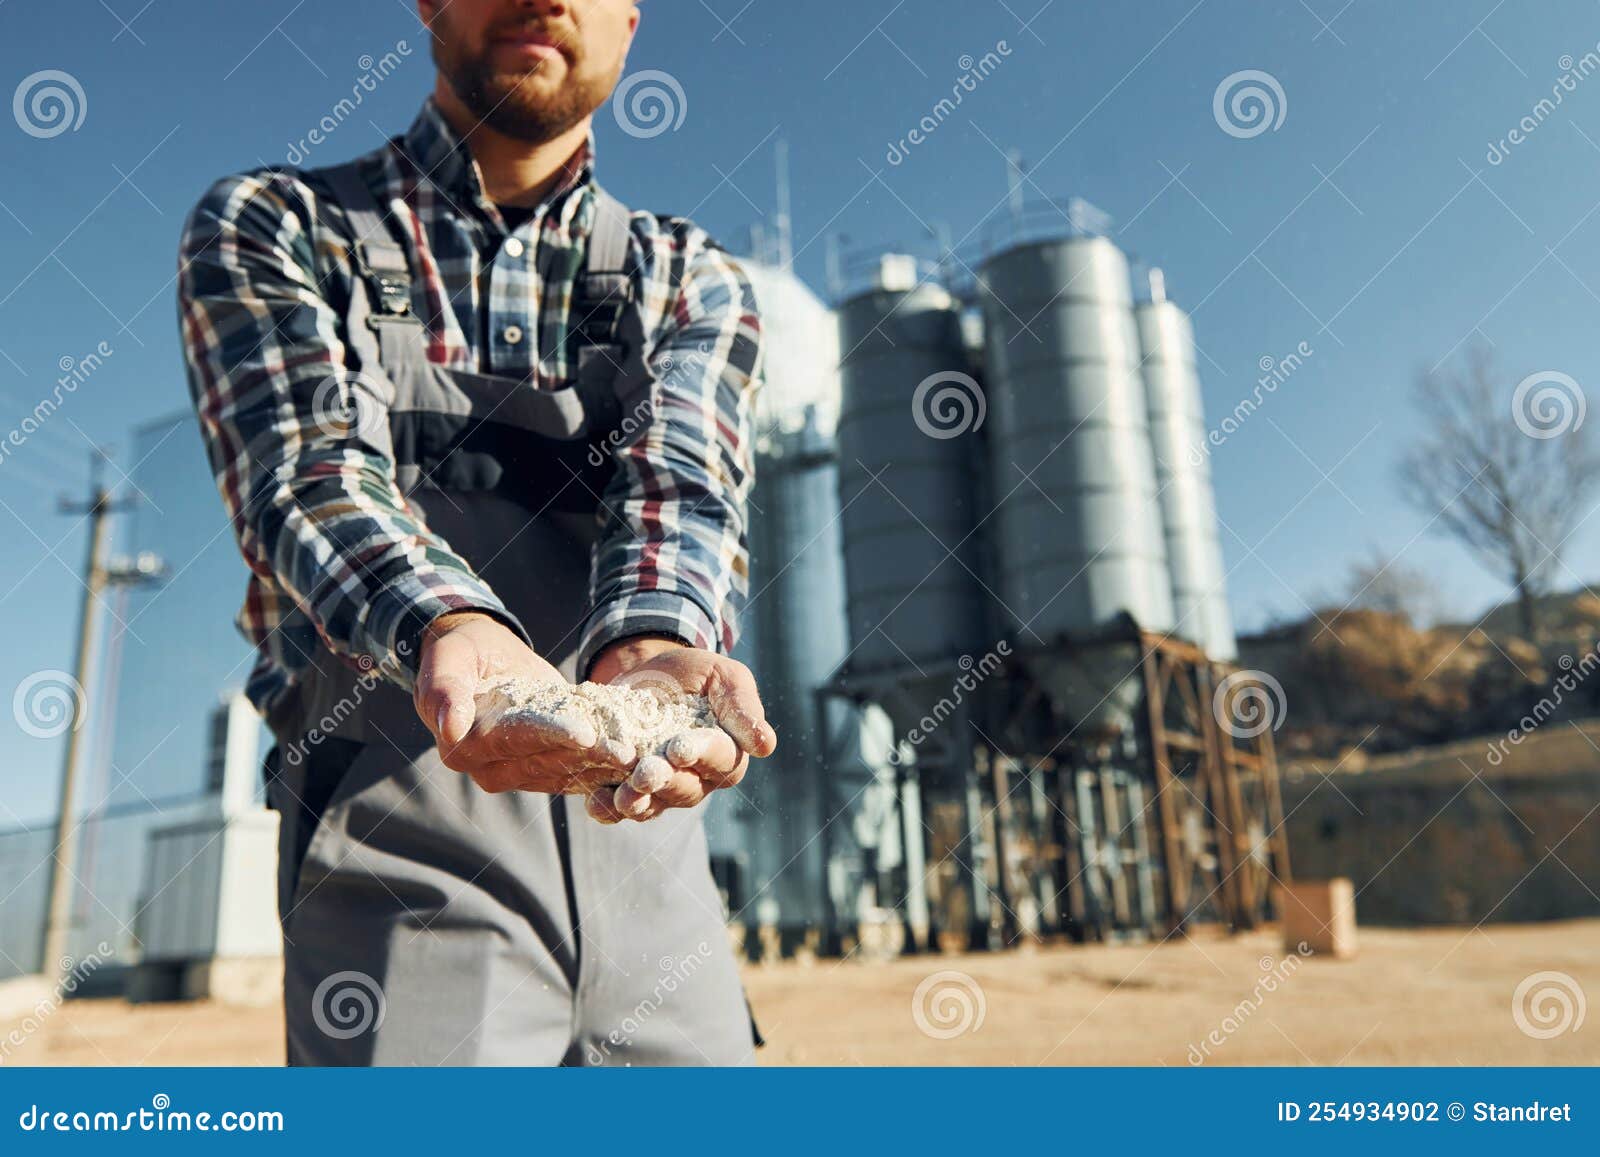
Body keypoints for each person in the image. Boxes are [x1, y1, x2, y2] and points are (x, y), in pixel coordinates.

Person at [176, 0, 775, 1066]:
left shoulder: (691, 277)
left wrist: (654, 652)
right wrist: (452, 625)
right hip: (393, 836)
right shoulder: (279, 223)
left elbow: (680, 494)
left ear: (630, 23)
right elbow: (311, 470)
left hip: (651, 847)